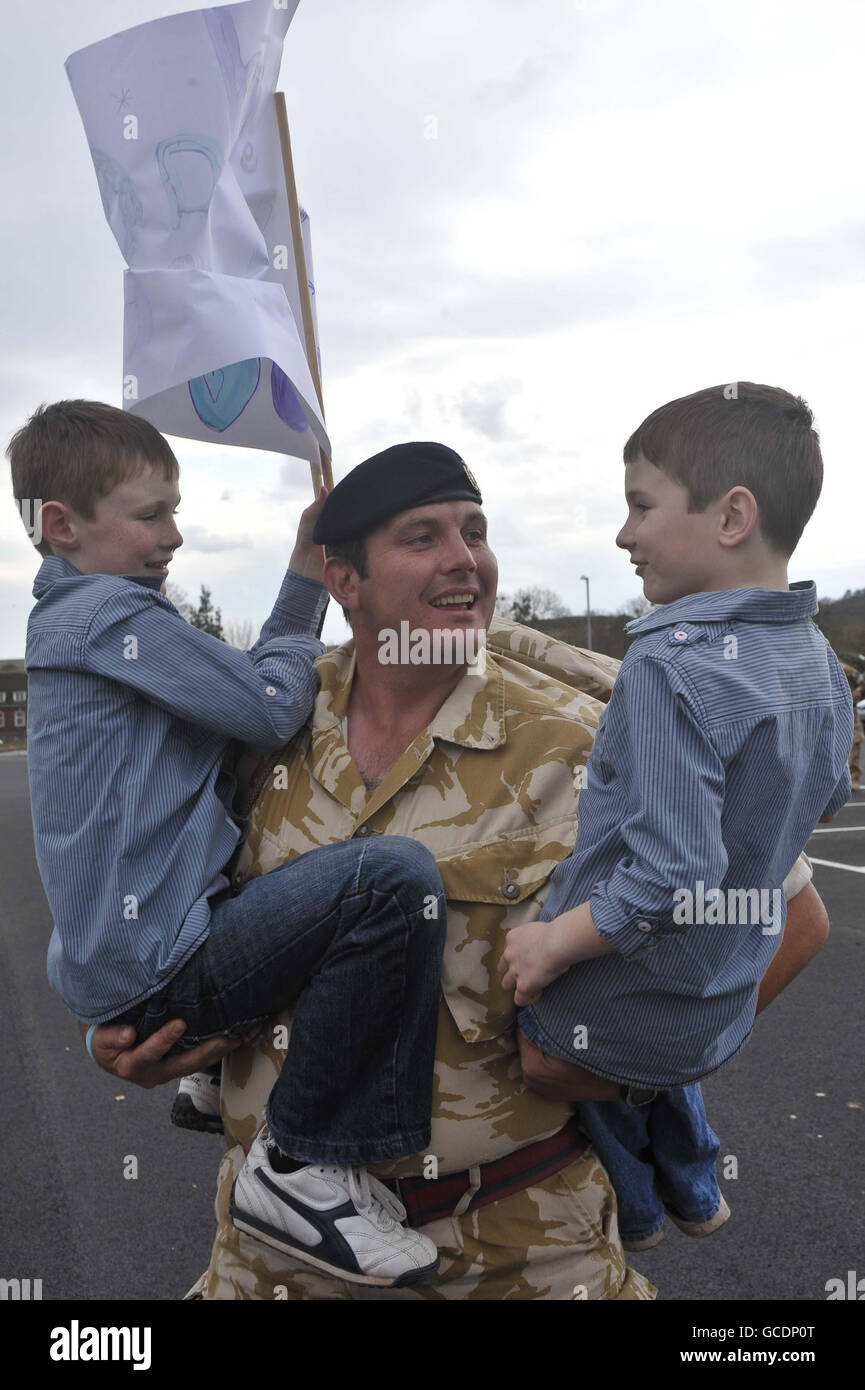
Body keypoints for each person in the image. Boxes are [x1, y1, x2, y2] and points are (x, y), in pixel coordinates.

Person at [90, 441, 830, 1301]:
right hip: (275, 1258)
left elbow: (789, 920)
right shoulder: (260, 734)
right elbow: (137, 890)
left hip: (521, 1251)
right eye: (421, 537)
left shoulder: (591, 731)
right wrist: (121, 1032)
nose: (463, 559)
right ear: (345, 582)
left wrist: (632, 1068)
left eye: (474, 531)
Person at [8, 400, 455, 1288]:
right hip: (161, 961)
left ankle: (213, 1074)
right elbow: (267, 707)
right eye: (150, 514)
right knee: (387, 881)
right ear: (61, 525)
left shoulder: (92, 623)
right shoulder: (109, 619)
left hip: (135, 957)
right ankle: (304, 1164)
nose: (174, 533)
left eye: (174, 509)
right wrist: (300, 581)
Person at [503, 382, 852, 1250]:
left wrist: (550, 943)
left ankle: (645, 1204)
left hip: (621, 1005)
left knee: (499, 991)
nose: (623, 534)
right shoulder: (815, 657)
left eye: (640, 506)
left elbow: (668, 880)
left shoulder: (668, 661)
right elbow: (826, 797)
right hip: (721, 1000)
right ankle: (692, 1180)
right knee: (641, 1056)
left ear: (731, 516)